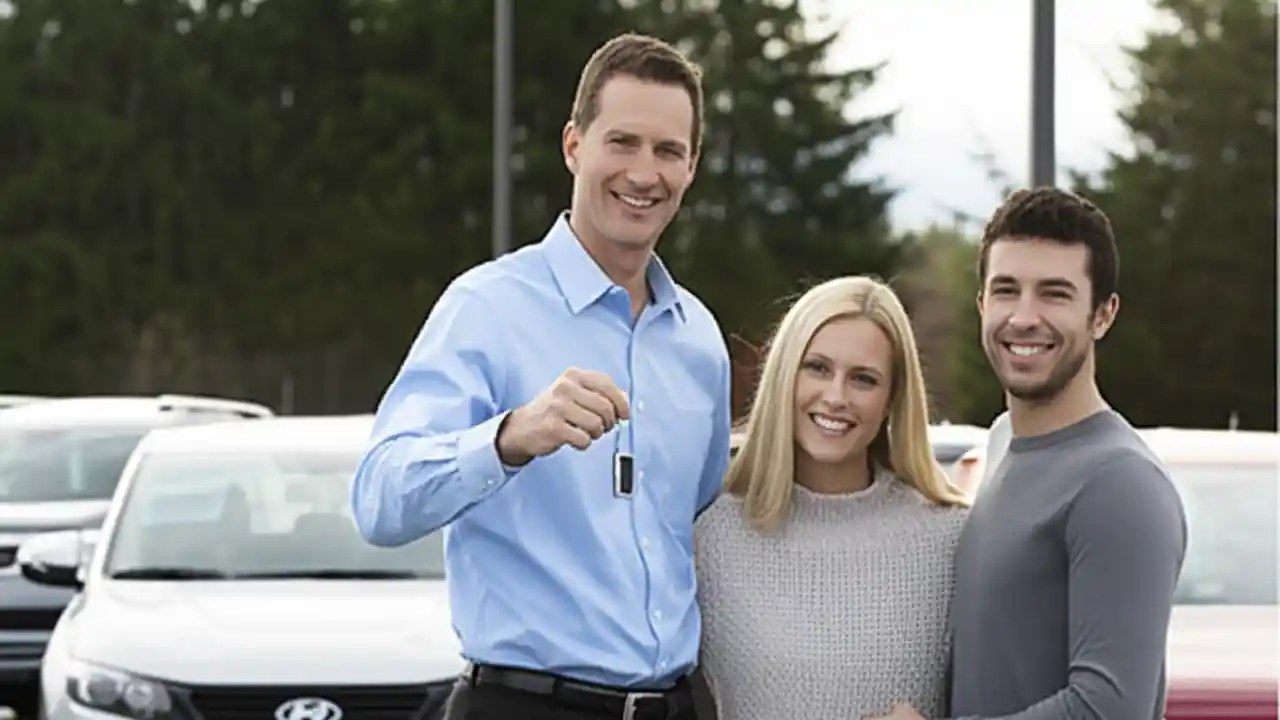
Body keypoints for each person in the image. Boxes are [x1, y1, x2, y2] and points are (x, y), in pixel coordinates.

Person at [349, 32, 731, 720]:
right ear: (572, 145)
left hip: (678, 706)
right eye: (623, 142)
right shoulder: (484, 307)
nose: (645, 173)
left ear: (692, 165)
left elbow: (699, 521)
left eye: (668, 150)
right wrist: (508, 437)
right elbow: (378, 500)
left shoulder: (699, 340)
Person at [867, 187, 1187, 720]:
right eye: (1007, 290)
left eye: (1055, 294)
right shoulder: (999, 442)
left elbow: (1107, 709)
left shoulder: (1121, 484)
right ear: (981, 305)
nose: (1023, 316)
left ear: (1103, 315)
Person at [693, 275, 970, 720]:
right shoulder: (711, 537)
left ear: (891, 400)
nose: (836, 397)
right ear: (785, 374)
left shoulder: (951, 539)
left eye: (863, 379)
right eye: (818, 368)